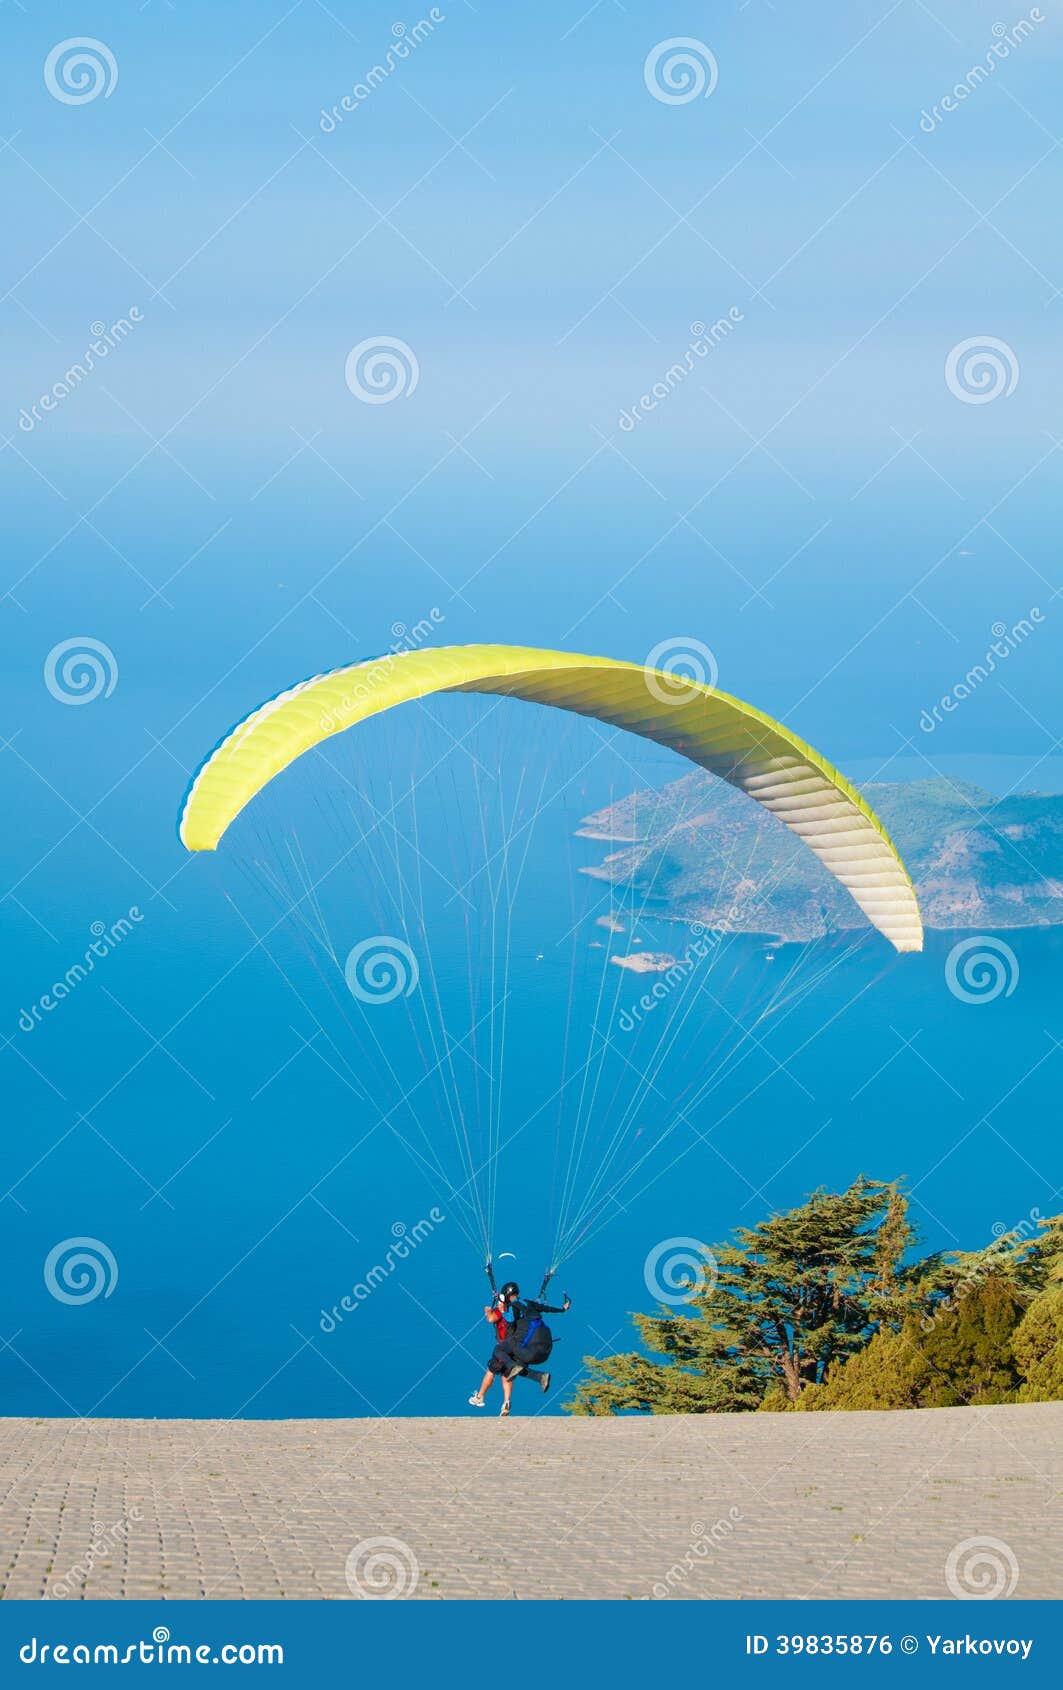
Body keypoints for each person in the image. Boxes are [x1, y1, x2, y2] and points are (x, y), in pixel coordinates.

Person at [468, 1281, 571, 1415]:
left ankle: (480, 1397)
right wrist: (562, 1309)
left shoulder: (510, 1306)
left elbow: (502, 1319)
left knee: (495, 1361)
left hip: (514, 1344)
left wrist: (494, 1311)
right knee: (507, 1375)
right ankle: (509, 1400)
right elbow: (546, 1309)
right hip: (535, 1347)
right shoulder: (528, 1303)